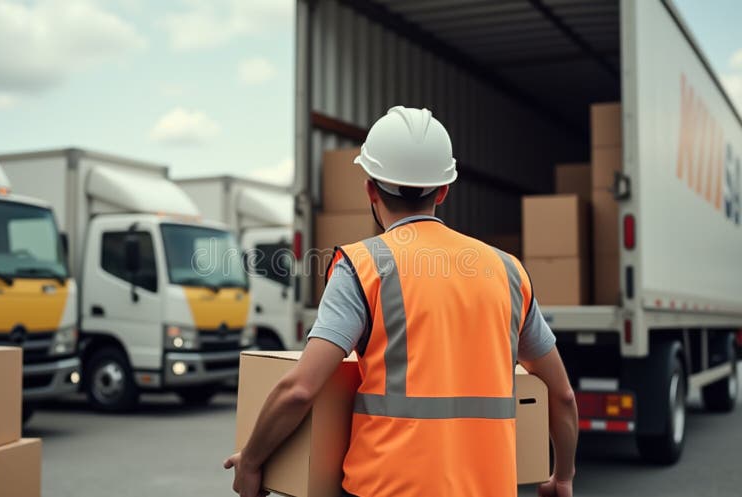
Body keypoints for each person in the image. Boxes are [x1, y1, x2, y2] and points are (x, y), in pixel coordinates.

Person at [224, 106, 578, 497]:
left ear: (370, 188)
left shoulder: (362, 266)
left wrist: (252, 461)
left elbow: (300, 390)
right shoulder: (508, 272)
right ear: (443, 190)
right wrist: (562, 477)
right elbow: (561, 395)